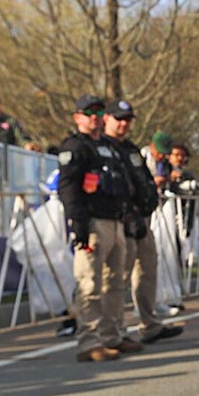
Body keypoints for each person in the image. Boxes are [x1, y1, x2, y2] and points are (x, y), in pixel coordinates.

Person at [54, 95, 144, 363]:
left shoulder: (108, 146)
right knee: (89, 283)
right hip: (93, 222)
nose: (94, 116)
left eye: (98, 111)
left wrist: (131, 215)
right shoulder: (74, 147)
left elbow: (122, 183)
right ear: (77, 117)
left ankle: (112, 335)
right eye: (88, 112)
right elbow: (68, 187)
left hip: (115, 220)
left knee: (115, 283)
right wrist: (78, 222)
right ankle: (89, 341)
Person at [105, 100, 181, 343]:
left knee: (147, 269)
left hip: (141, 219)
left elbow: (143, 180)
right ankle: (114, 330)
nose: (124, 124)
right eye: (119, 119)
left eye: (128, 120)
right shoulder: (101, 148)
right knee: (119, 276)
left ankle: (150, 324)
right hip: (119, 219)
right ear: (107, 118)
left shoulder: (130, 149)